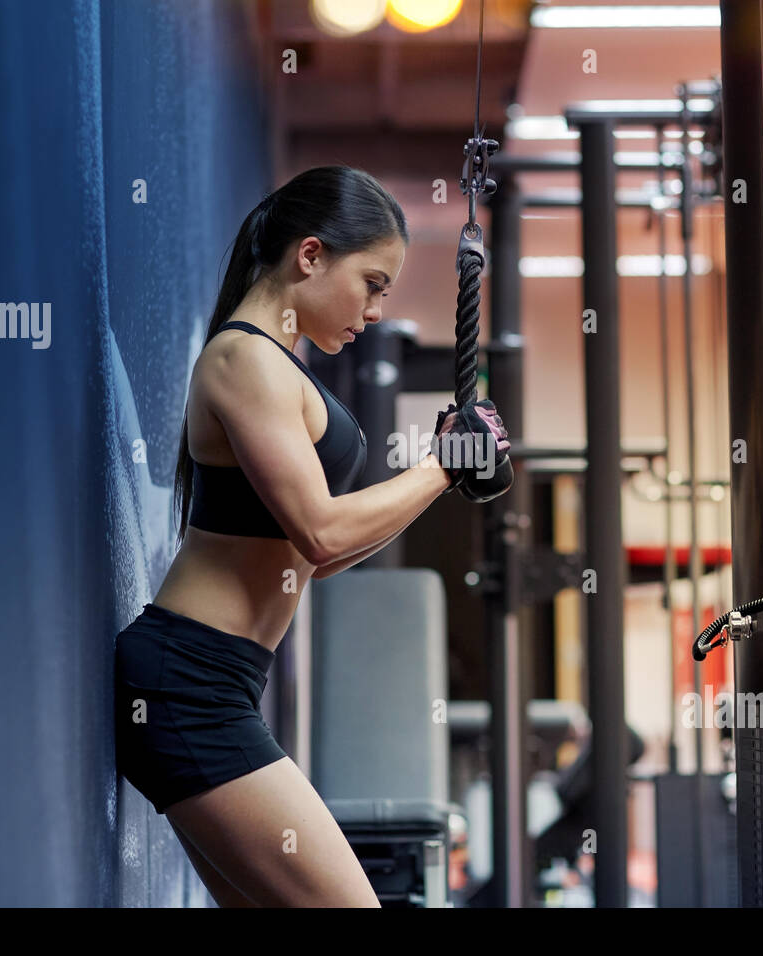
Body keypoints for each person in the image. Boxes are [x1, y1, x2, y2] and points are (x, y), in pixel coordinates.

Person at [113, 165, 510, 907]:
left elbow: (314, 560)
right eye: (373, 282)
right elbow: (323, 534)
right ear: (310, 255)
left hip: (215, 681)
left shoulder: (280, 368)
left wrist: (444, 476)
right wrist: (443, 465)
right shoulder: (244, 360)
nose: (374, 307)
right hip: (186, 685)